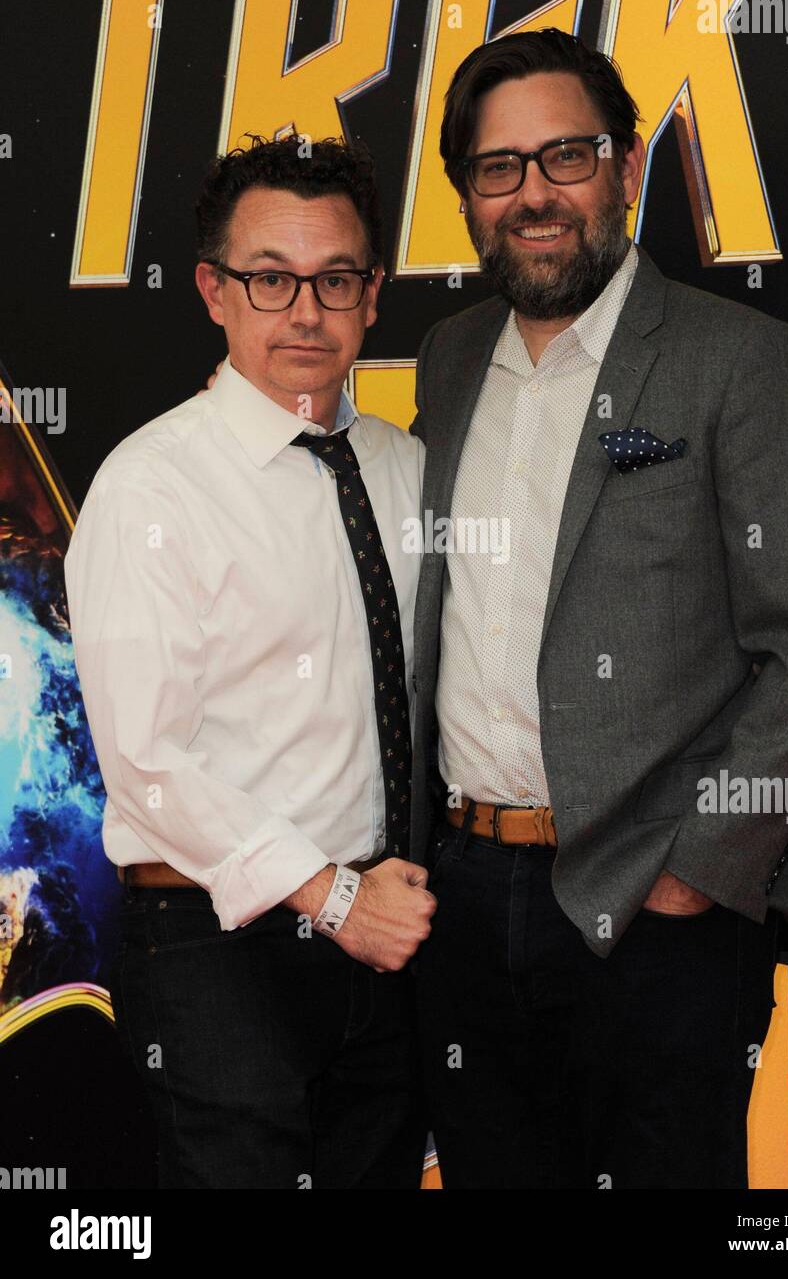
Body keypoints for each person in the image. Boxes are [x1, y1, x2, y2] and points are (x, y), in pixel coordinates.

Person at [407, 28, 788, 1188]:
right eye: (498, 167)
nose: (534, 195)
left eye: (566, 155)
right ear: (466, 195)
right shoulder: (449, 359)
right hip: (461, 895)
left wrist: (700, 870)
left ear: (624, 169)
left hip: (658, 910)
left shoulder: (737, 360)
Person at [64, 135, 434, 1189]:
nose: (306, 312)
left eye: (335, 280)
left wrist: (365, 904)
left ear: (373, 295)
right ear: (213, 292)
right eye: (271, 279)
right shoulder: (153, 486)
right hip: (214, 944)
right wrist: (329, 897)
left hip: (386, 937)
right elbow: (146, 761)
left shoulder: (406, 470)